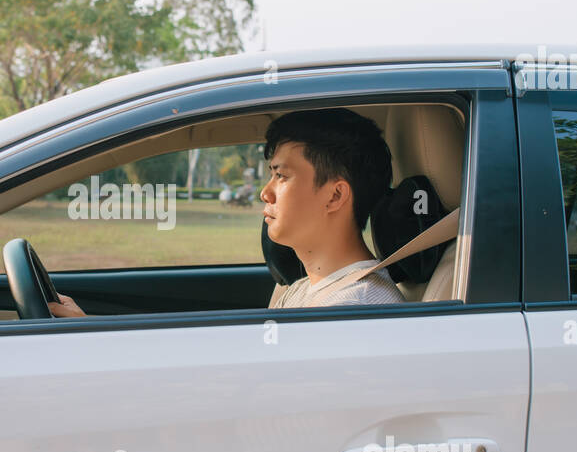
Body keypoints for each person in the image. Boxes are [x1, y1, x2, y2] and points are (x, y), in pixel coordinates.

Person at [48, 107, 404, 316]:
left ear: (335, 195)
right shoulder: (305, 290)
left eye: (281, 176)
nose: (265, 192)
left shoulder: (353, 309)